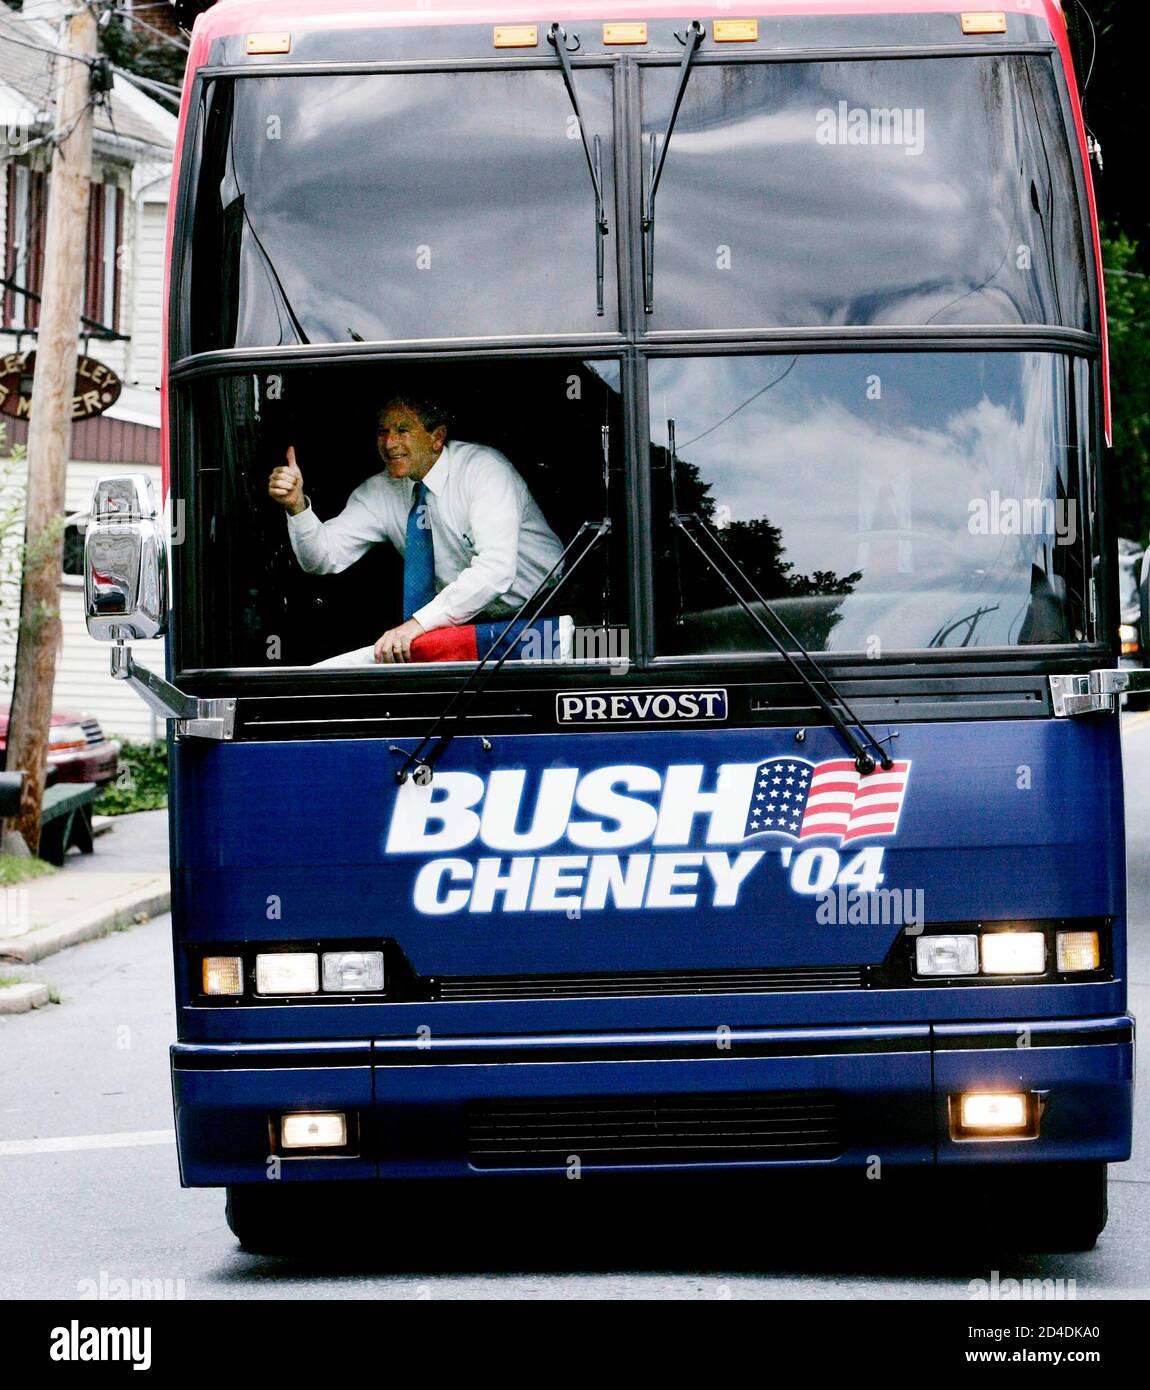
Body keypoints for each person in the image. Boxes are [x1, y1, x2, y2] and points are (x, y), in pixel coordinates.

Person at [267, 394, 564, 662]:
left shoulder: (483, 470)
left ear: (437, 438)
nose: (389, 443)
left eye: (402, 430)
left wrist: (416, 625)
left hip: (545, 611)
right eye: (383, 431)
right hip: (465, 624)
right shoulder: (379, 491)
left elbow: (495, 570)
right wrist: (297, 507)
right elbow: (321, 557)